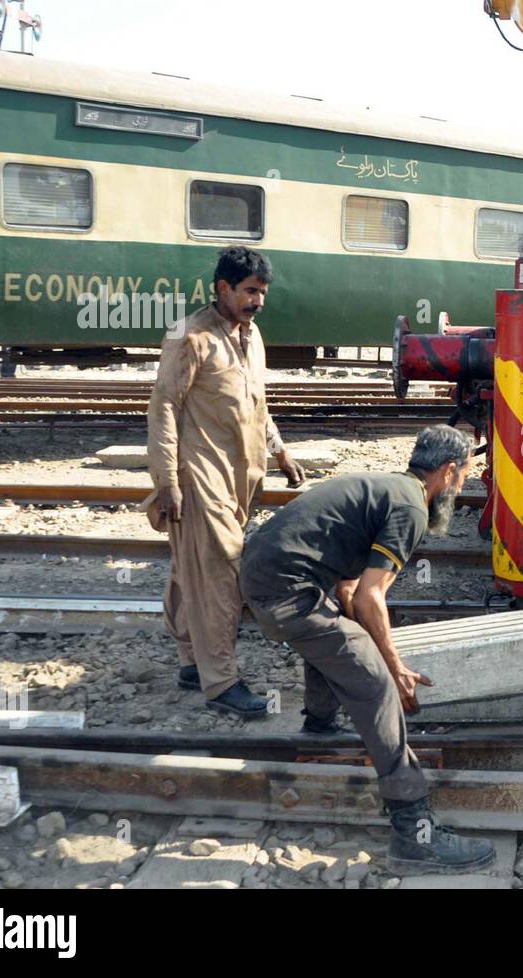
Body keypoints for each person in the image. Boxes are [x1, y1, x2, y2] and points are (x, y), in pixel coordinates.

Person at [239, 425, 495, 874]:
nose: (463, 483)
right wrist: (395, 666)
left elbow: (348, 588)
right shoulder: (411, 508)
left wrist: (367, 638)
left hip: (269, 573)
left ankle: (320, 727)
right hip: (283, 590)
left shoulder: (388, 489)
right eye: (464, 473)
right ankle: (413, 830)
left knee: (341, 637)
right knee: (375, 682)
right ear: (448, 470)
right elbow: (371, 595)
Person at [145, 246, 305, 717]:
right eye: (251, 292)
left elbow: (257, 403)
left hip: (240, 478)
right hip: (199, 478)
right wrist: (167, 479)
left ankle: (190, 662)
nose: (259, 301)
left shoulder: (251, 336)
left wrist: (280, 451)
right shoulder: (189, 336)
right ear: (223, 288)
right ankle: (221, 684)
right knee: (219, 577)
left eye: (263, 293)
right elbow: (164, 407)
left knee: (189, 567)